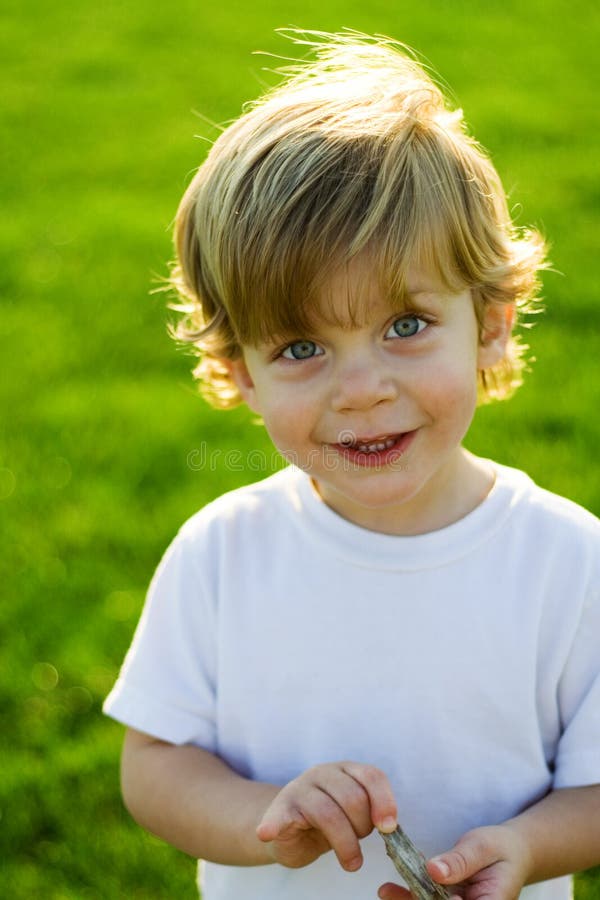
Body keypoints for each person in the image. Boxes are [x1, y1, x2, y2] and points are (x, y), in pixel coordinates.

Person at [103, 30, 600, 900]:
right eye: (301, 346)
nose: (362, 390)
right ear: (236, 373)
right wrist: (265, 817)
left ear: (489, 323)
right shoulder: (224, 553)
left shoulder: (567, 562)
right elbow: (155, 763)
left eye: (405, 326)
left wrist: (526, 848)